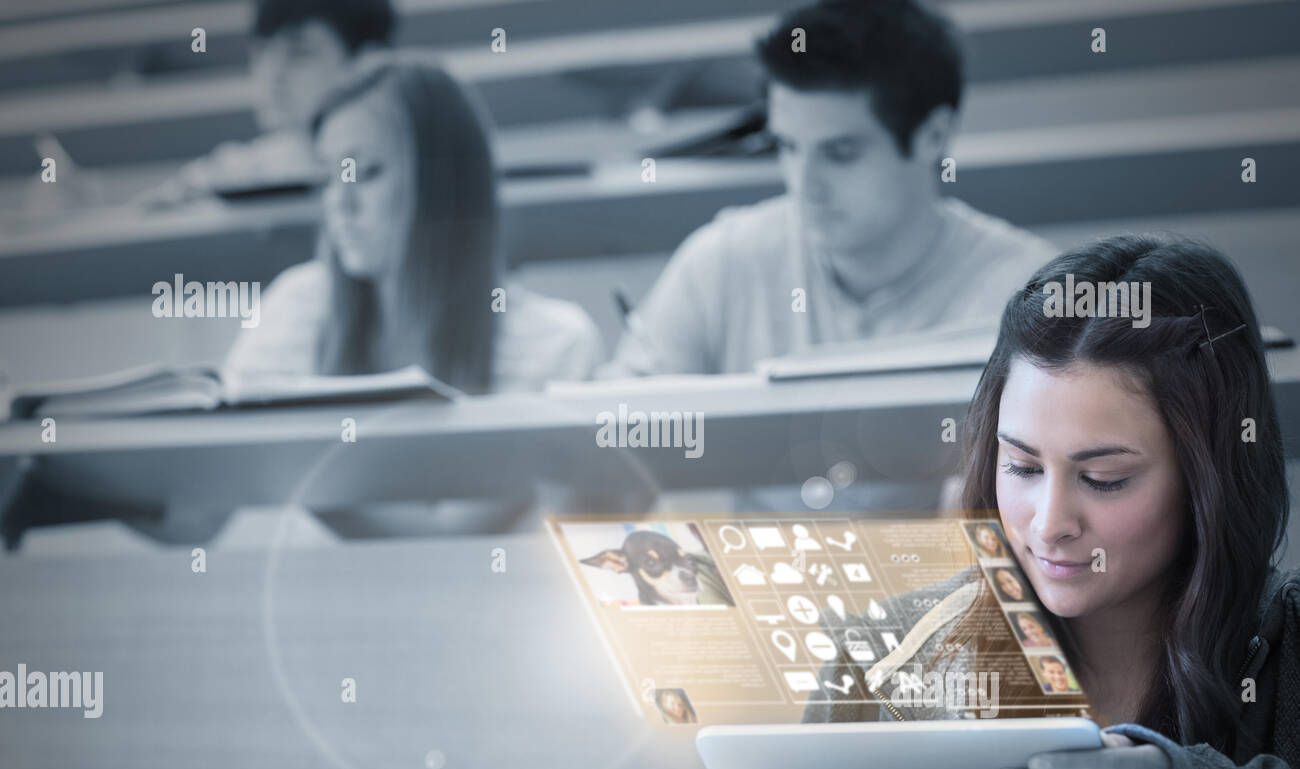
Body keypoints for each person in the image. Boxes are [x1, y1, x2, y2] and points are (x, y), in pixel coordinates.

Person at [807, 234, 1300, 769]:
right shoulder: (881, 656)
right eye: (1022, 467)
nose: (1048, 524)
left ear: (1210, 478)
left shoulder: (1287, 653)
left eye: (1104, 477)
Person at [597, 0, 1054, 378]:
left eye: (840, 153)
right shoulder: (720, 263)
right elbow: (612, 451)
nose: (804, 185)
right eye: (789, 147)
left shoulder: (1025, 293)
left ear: (933, 136)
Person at [223, 57, 602, 393]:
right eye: (328, 178)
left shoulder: (553, 347)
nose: (340, 203)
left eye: (367, 171)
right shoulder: (293, 312)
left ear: (445, 183)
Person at [142, 0, 397, 205]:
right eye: (262, 52)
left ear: (367, 61)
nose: (271, 75)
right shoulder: (228, 174)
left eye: (299, 52)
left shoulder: (401, 167)